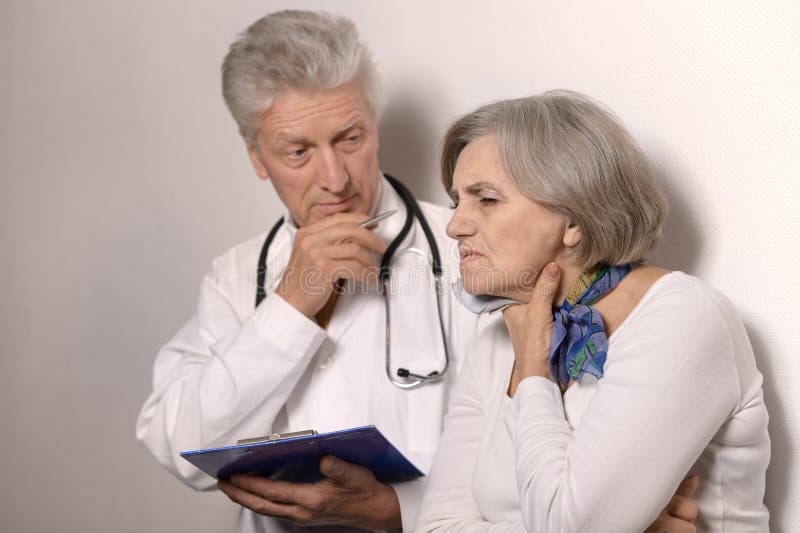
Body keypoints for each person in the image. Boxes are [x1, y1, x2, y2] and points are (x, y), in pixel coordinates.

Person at [135, 10, 701, 532]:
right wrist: (290, 304)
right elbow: (183, 450)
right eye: (297, 152)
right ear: (256, 155)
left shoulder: (485, 257)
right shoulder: (236, 276)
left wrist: (394, 508)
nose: (335, 179)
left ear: (374, 125)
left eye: (350, 138)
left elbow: (544, 472)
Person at [415, 91, 770, 532]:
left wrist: (533, 373)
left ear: (572, 220)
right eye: (456, 202)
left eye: (485, 199)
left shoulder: (681, 318)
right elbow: (434, 526)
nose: (454, 226)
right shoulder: (498, 336)